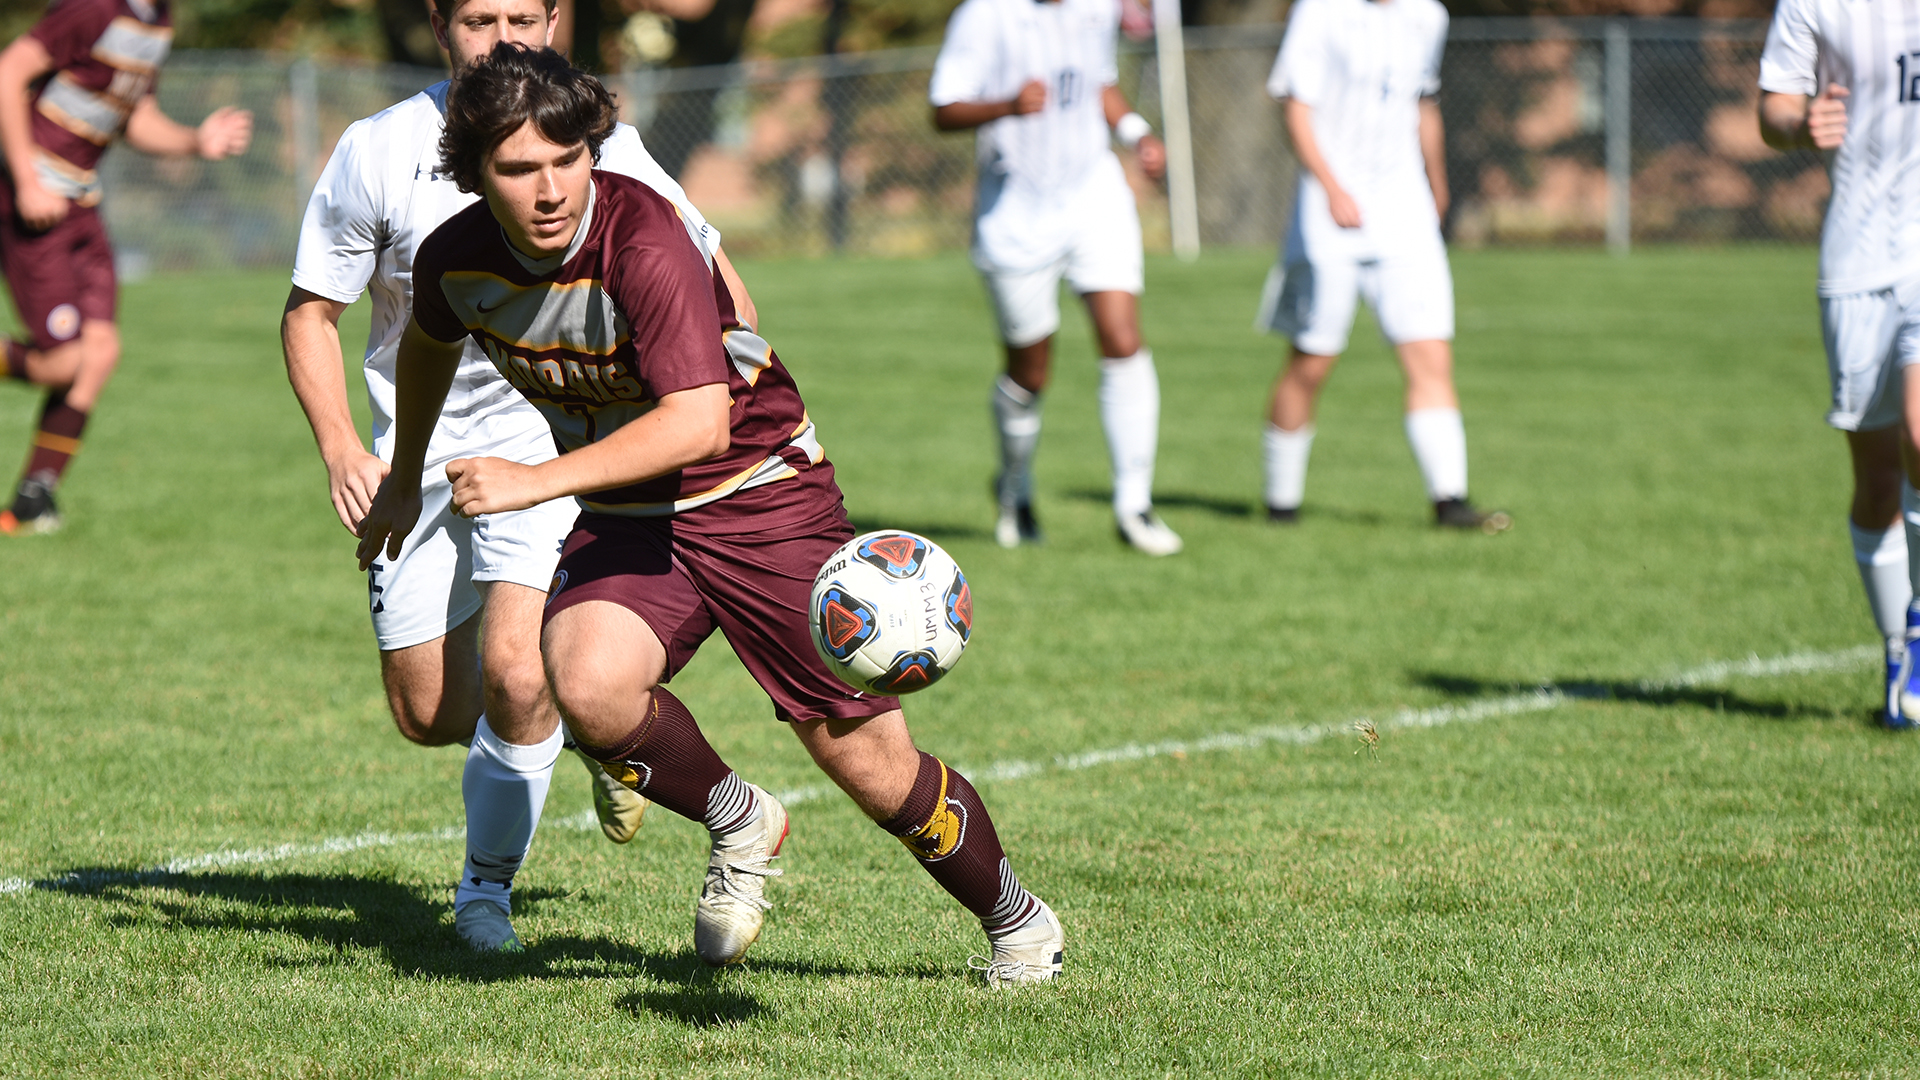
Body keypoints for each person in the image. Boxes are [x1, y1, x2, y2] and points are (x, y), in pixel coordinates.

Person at [358, 44, 1065, 984]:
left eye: (567, 160)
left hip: (757, 489)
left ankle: (1019, 924)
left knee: (867, 765)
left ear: (591, 153)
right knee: (586, 679)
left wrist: (534, 482)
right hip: (633, 507)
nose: (549, 189)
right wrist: (406, 474)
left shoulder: (640, 240)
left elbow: (696, 424)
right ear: (473, 172)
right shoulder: (458, 258)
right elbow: (427, 343)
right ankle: (742, 820)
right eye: (518, 168)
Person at [282, 0, 760, 953]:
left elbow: (707, 262)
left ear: (556, 18)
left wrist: (737, 379)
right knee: (428, 713)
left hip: (558, 433)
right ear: (436, 24)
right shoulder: (378, 150)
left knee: (515, 668)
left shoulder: (589, 142)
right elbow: (311, 314)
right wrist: (348, 450)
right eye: (476, 18)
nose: (503, 38)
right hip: (419, 448)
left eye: (522, 15)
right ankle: (599, 734)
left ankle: (483, 895)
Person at [928, 0, 1182, 556]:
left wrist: (1137, 132)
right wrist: (1006, 105)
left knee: (1123, 340)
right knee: (1031, 371)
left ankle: (1134, 504)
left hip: (1094, 196)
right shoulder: (985, 14)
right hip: (1016, 215)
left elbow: (1098, 82)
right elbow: (942, 109)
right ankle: (1014, 487)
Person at [1255, 0, 1508, 533]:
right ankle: (1281, 504)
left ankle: (1450, 501)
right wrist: (1330, 185)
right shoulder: (1321, 12)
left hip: (1403, 212)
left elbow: (1424, 104)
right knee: (1312, 360)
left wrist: (1436, 184)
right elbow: (1297, 108)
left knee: (1428, 352)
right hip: (1331, 212)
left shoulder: (1428, 16)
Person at [0, 0, 251, 535]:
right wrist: (25, 179)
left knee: (101, 351)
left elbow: (135, 117)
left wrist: (194, 141)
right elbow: (9, 71)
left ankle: (32, 496)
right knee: (62, 363)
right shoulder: (95, 7)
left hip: (82, 205)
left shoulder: (157, 20)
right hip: (38, 199)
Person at [1759, 0, 1920, 729]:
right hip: (1855, 262)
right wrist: (1800, 127)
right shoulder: (1814, 3)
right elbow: (1773, 110)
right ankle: (1898, 645)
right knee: (1877, 480)